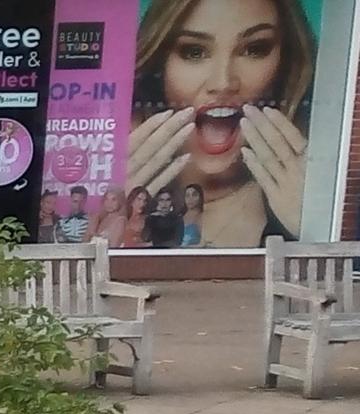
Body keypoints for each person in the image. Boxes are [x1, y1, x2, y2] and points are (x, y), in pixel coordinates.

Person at [128, 0, 317, 246]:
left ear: (286, 65)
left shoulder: (316, 199)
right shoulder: (119, 198)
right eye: (194, 51)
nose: (223, 82)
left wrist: (316, 228)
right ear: (159, 66)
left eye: (254, 48)